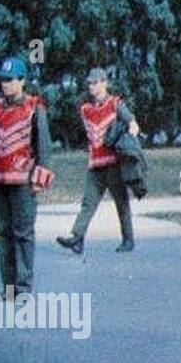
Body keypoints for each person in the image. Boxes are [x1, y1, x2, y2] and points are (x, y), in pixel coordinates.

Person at [0, 57, 54, 300]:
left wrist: (39, 178)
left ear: (22, 81)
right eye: (3, 80)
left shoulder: (34, 107)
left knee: (23, 233)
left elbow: (43, 147)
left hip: (24, 181)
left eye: (11, 80)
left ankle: (24, 287)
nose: (6, 85)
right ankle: (8, 288)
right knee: (4, 233)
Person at [56, 68, 139, 255]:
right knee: (88, 203)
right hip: (95, 165)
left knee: (121, 202)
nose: (92, 86)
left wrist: (127, 141)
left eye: (95, 83)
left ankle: (128, 240)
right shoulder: (86, 109)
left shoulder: (115, 104)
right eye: (90, 83)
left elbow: (133, 125)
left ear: (104, 83)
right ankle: (77, 239)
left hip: (114, 165)